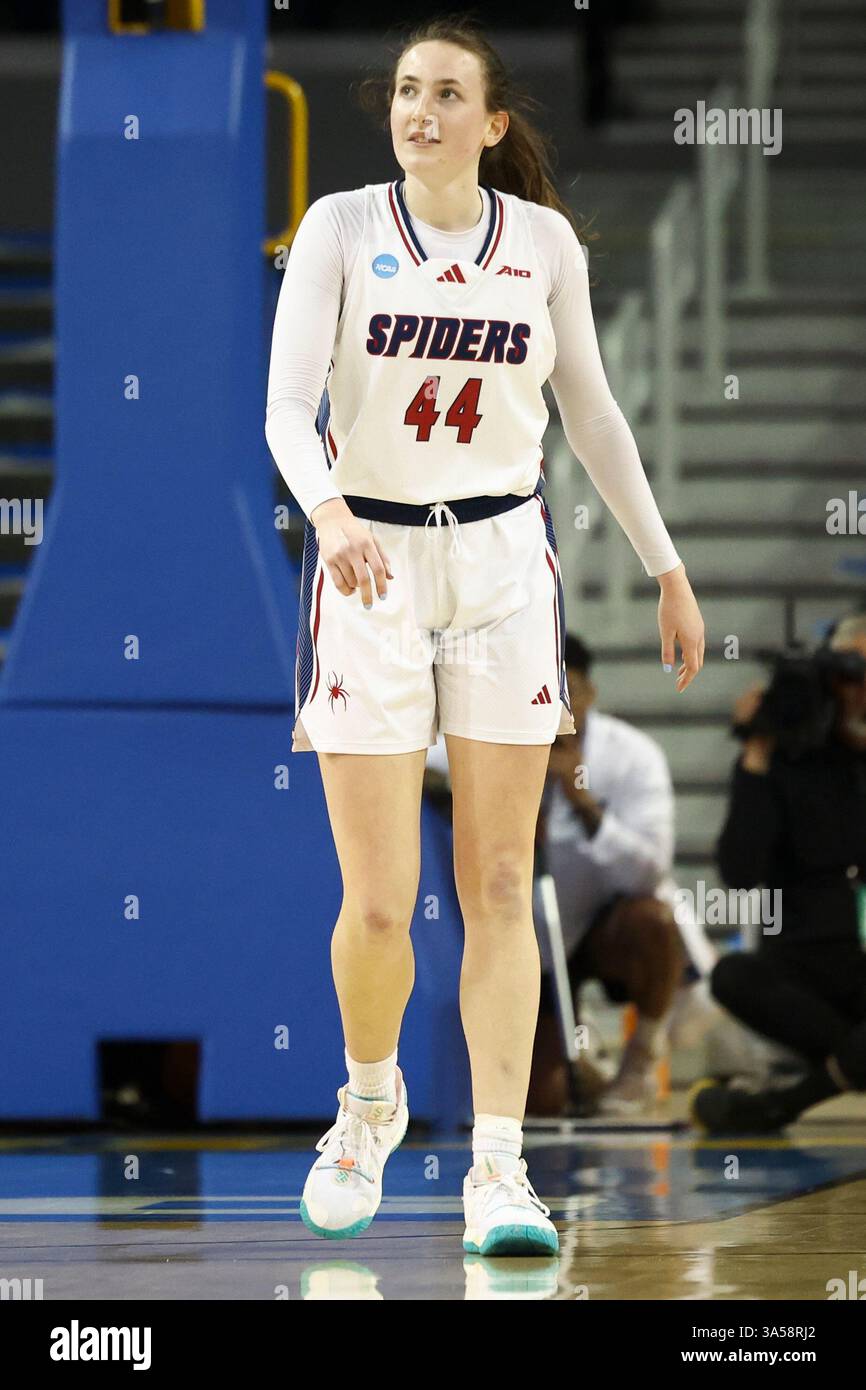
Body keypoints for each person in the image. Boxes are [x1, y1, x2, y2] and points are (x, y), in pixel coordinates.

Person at [265, 15, 704, 1257]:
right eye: (406, 89)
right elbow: (286, 407)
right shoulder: (339, 228)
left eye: (447, 92)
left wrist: (666, 568)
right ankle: (367, 1103)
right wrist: (330, 514)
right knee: (377, 903)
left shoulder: (542, 245)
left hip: (505, 560)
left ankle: (500, 1171)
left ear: (491, 122)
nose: (420, 109)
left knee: (502, 884)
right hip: (368, 564)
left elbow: (594, 415)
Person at [528, 633, 719, 1118]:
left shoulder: (633, 755)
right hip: (530, 940)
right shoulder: (494, 746)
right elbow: (427, 762)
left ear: (590, 692)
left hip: (605, 925)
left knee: (653, 921)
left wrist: (585, 806)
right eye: (540, 689)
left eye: (566, 690)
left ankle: (642, 1059)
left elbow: (651, 869)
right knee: (542, 1102)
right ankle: (583, 1056)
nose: (553, 704)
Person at [690, 612, 866, 1135]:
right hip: (805, 968)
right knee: (730, 975)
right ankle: (853, 1057)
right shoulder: (783, 762)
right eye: (850, 675)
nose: (858, 692)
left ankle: (789, 1101)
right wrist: (757, 751)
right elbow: (740, 872)